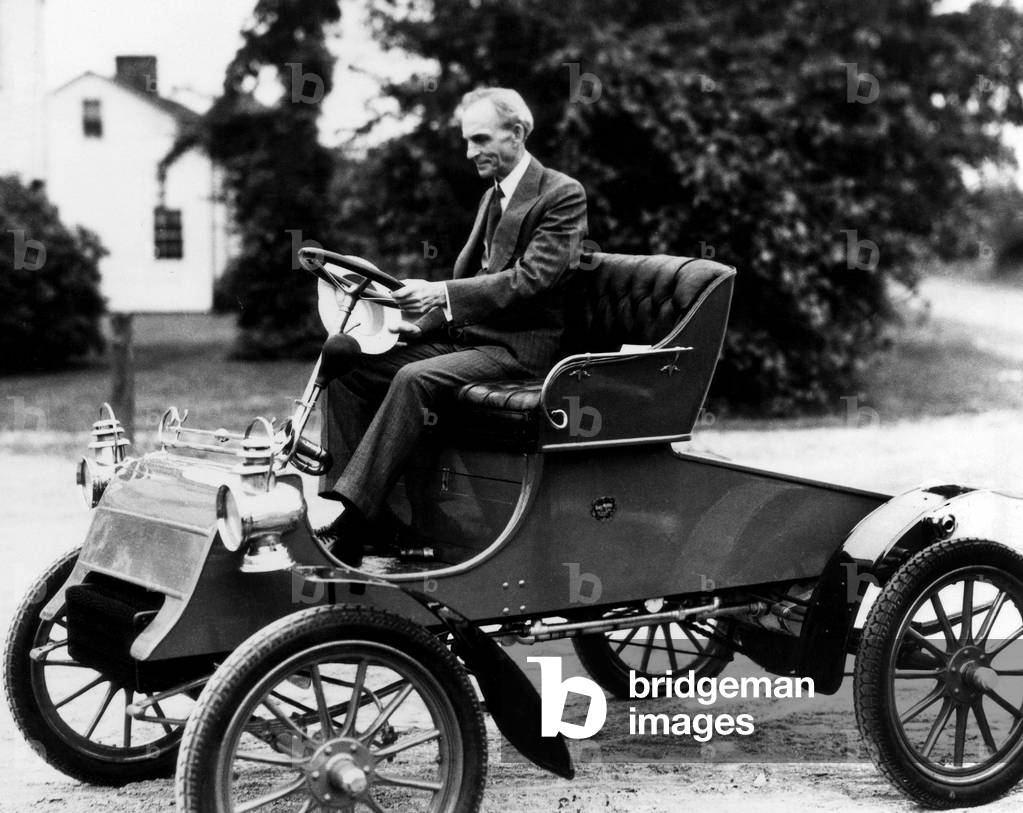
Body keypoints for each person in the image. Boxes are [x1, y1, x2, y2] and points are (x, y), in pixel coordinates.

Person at [317, 87, 588, 564]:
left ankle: (354, 521)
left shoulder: (561, 195)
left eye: (480, 139)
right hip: (473, 342)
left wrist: (440, 293)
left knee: (412, 378)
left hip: (519, 353)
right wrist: (417, 325)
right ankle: (376, 518)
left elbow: (531, 280)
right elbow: (472, 280)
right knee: (348, 365)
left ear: (517, 134)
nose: (470, 153)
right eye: (467, 141)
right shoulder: (492, 198)